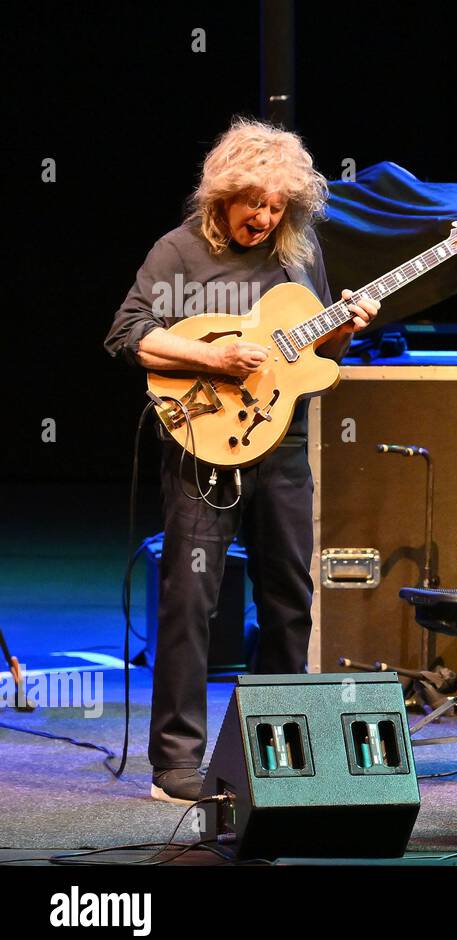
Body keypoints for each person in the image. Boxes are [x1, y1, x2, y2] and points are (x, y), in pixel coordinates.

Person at [104, 118, 380, 803]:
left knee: (290, 601)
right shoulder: (179, 252)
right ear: (223, 196)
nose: (264, 217)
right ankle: (175, 762)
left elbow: (312, 366)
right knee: (189, 603)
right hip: (203, 453)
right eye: (253, 203)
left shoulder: (299, 255)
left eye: (277, 206)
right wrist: (213, 356)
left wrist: (341, 329)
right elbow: (126, 334)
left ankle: (279, 750)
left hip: (283, 451)